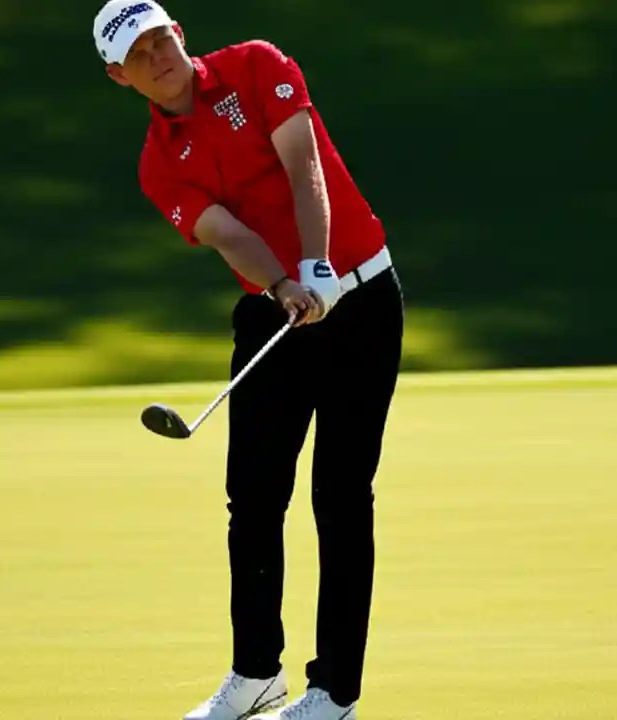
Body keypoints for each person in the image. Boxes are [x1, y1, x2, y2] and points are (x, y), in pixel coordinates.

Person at [92, 2, 405, 718]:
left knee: (340, 497)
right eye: (137, 54)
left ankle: (334, 693)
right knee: (254, 500)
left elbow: (305, 166)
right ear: (120, 76)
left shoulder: (257, 66)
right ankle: (256, 673)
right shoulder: (157, 165)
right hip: (278, 311)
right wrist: (286, 285)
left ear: (179, 33)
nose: (157, 55)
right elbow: (229, 234)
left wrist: (319, 263)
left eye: (160, 37)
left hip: (362, 299)